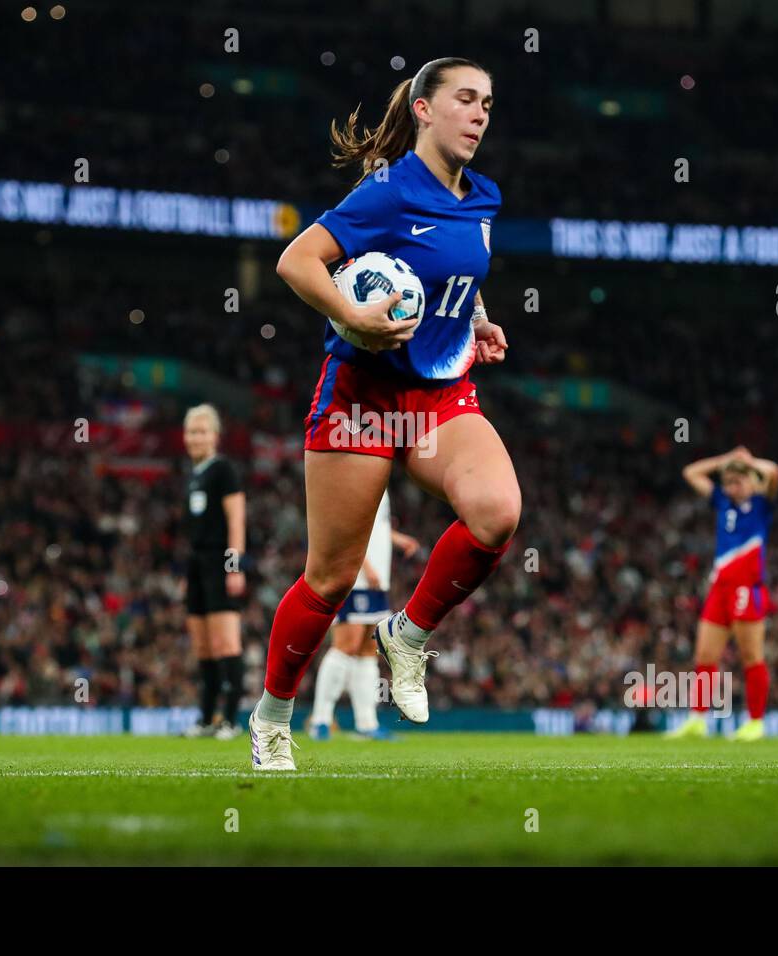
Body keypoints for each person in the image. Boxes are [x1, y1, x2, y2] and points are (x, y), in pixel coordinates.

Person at [249, 57, 519, 770]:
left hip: (438, 395)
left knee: (496, 511)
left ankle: (408, 635)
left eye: (487, 102)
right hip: (361, 398)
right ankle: (273, 717)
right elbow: (297, 261)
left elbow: (454, 275)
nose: (480, 112)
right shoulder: (388, 193)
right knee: (330, 580)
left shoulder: (482, 196)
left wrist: (478, 319)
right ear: (425, 110)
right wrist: (354, 318)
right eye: (465, 98)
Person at [667, 446, 778, 741]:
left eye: (738, 481)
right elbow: (690, 472)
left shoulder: (761, 504)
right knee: (705, 654)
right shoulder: (722, 502)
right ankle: (698, 719)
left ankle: (756, 722)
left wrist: (749, 461)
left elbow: (774, 472)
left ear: (751, 481)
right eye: (728, 482)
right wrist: (724, 460)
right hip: (720, 587)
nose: (732, 487)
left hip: (747, 589)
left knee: (751, 655)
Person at [307, 488, 420, 740]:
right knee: (345, 646)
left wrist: (396, 538)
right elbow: (345, 530)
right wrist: (365, 566)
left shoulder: (381, 485)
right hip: (355, 578)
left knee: (368, 650)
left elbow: (371, 527)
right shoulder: (357, 478)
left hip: (376, 580)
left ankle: (366, 723)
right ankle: (321, 719)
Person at [180, 404, 248, 741]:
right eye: (192, 432)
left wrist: (234, 566)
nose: (196, 437)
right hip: (196, 565)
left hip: (219, 562)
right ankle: (207, 718)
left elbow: (236, 519)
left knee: (226, 642)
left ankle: (232, 720)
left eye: (202, 431)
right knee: (203, 646)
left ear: (215, 437)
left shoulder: (224, 471)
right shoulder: (193, 474)